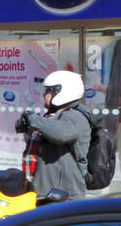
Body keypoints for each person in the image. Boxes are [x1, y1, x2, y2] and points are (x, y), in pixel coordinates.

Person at [16, 70, 91, 199]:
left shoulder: (77, 117)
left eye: (48, 91)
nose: (45, 95)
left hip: (62, 198)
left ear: (61, 92)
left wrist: (33, 120)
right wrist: (26, 126)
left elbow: (61, 133)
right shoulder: (53, 116)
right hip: (43, 194)